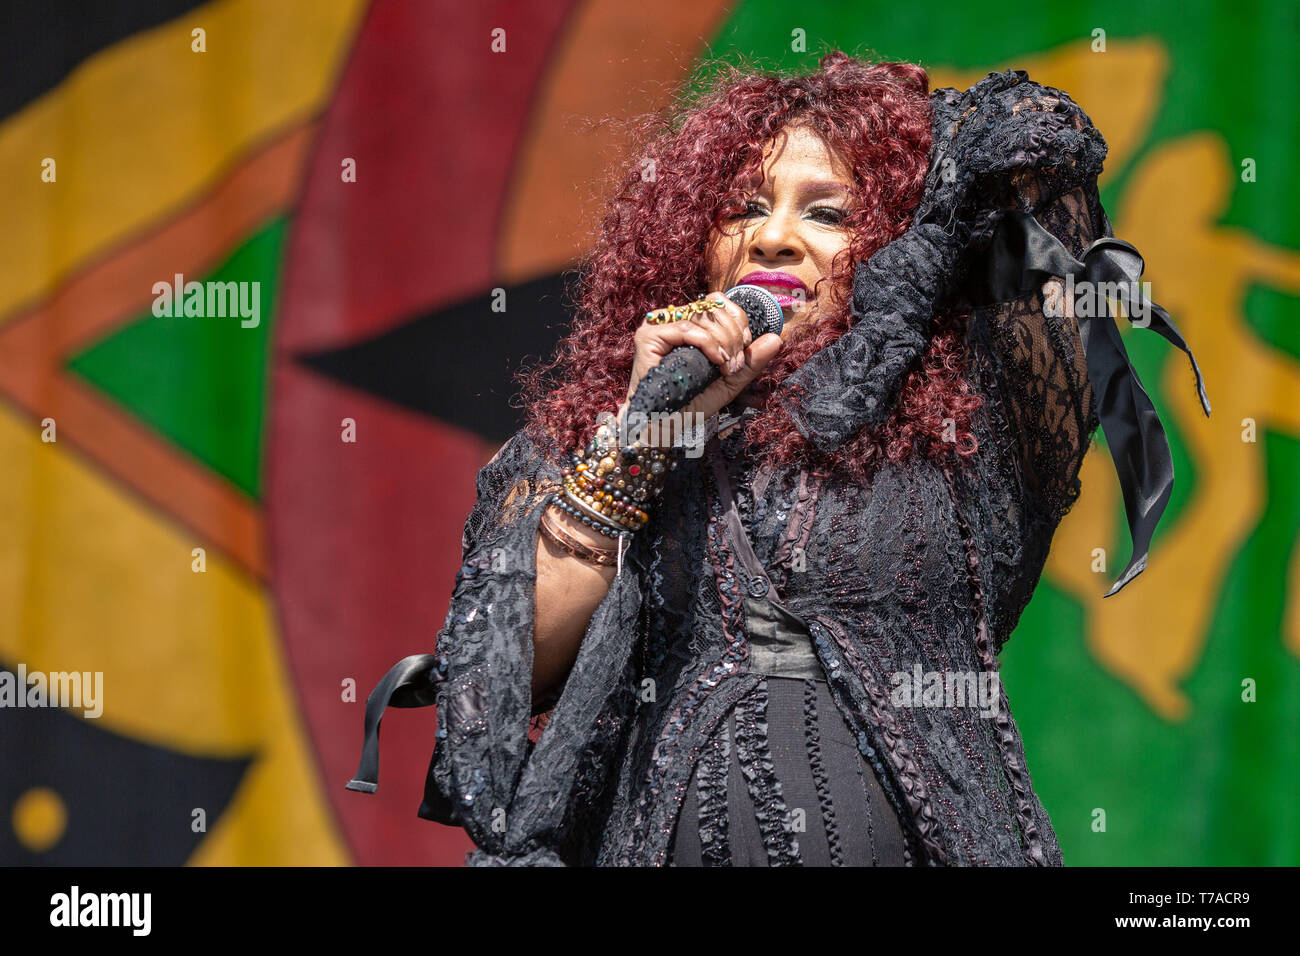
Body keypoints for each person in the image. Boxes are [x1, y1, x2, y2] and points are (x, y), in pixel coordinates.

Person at [346, 52, 1210, 866]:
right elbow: (501, 692)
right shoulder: (587, 437)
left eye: (828, 213)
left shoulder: (970, 426)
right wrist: (641, 443)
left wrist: (915, 243)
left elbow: (1038, 154)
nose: (775, 237)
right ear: (692, 242)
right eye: (744, 208)